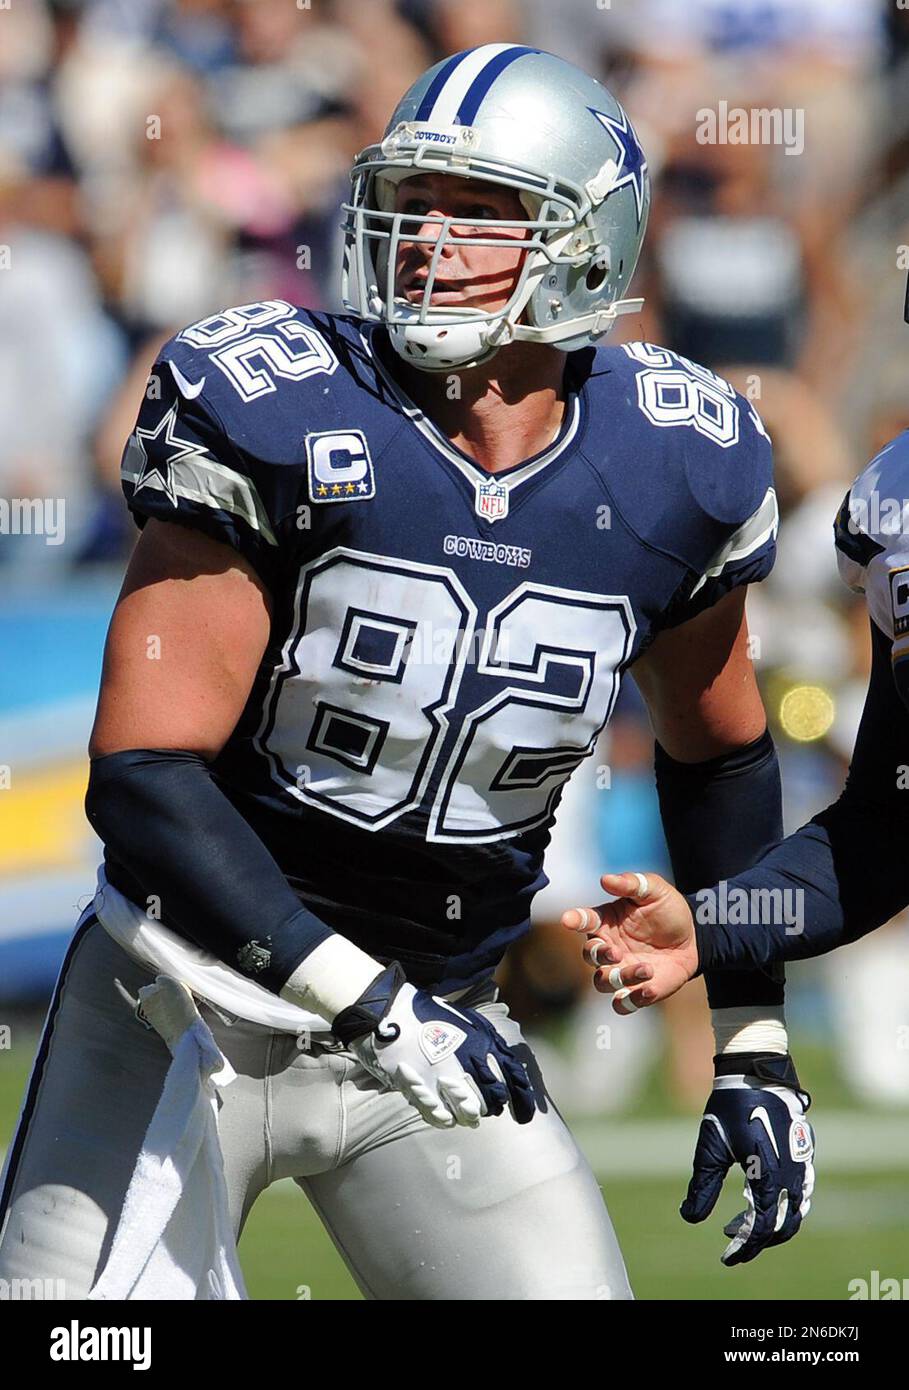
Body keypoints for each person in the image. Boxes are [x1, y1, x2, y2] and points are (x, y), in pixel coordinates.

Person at [0, 43, 788, 1299]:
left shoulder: (674, 463)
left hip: (443, 1022)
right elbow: (144, 772)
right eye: (414, 202)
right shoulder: (278, 406)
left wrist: (751, 1040)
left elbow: (724, 753)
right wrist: (363, 999)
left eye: (479, 210)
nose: (426, 239)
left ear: (589, 244)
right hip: (183, 1003)